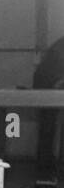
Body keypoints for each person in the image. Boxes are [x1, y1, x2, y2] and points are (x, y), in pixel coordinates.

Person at [35, 35, 64, 177]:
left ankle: (47, 166)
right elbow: (50, 72)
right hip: (47, 85)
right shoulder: (59, 48)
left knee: (48, 127)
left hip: (51, 83)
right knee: (47, 126)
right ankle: (45, 167)